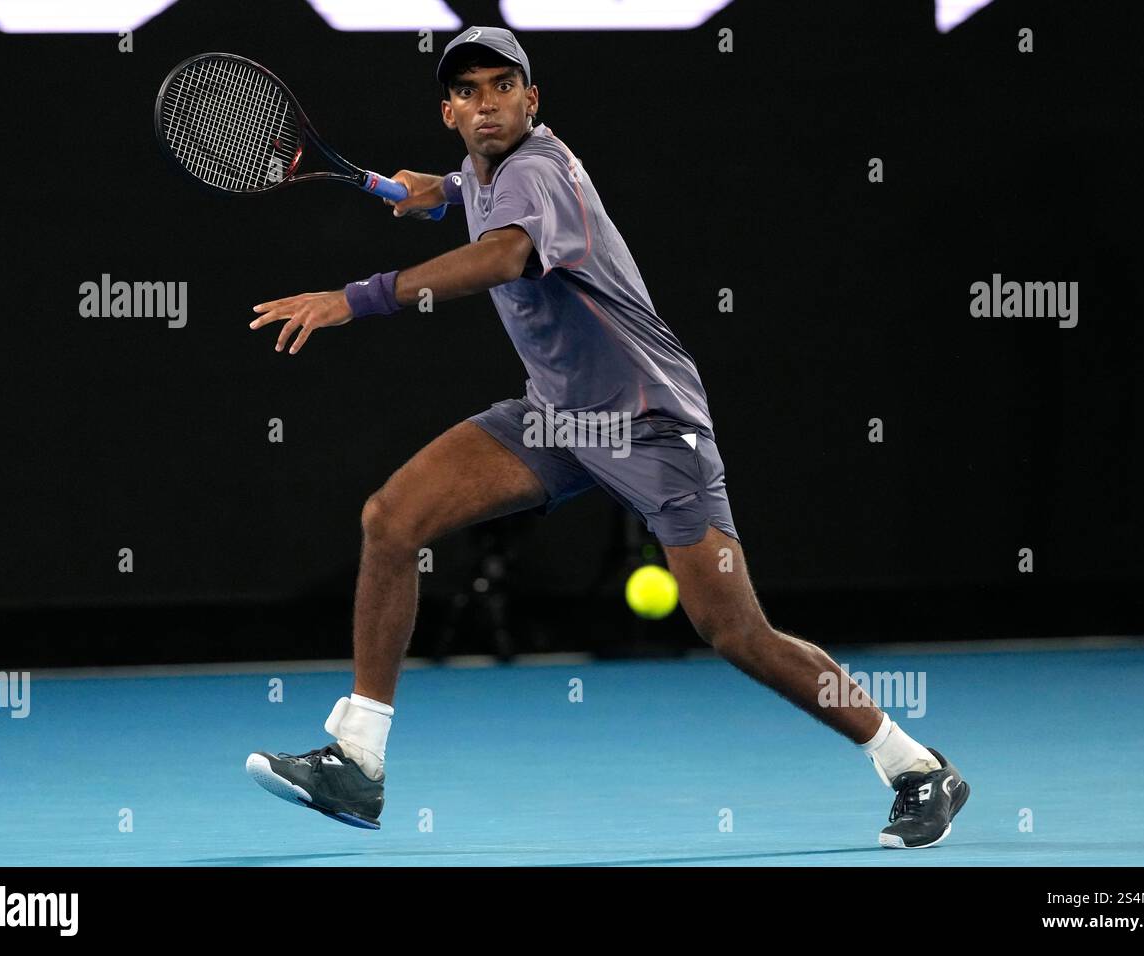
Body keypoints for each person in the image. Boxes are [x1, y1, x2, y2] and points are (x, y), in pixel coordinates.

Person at [244, 26, 969, 849]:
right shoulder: (486, 169)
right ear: (448, 111)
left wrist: (359, 296)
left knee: (735, 631)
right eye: (469, 92)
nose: (488, 104)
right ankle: (358, 761)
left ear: (532, 100)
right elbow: (478, 193)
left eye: (502, 87)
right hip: (558, 419)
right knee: (391, 519)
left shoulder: (541, 170)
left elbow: (504, 256)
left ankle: (915, 765)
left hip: (653, 424)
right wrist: (438, 189)